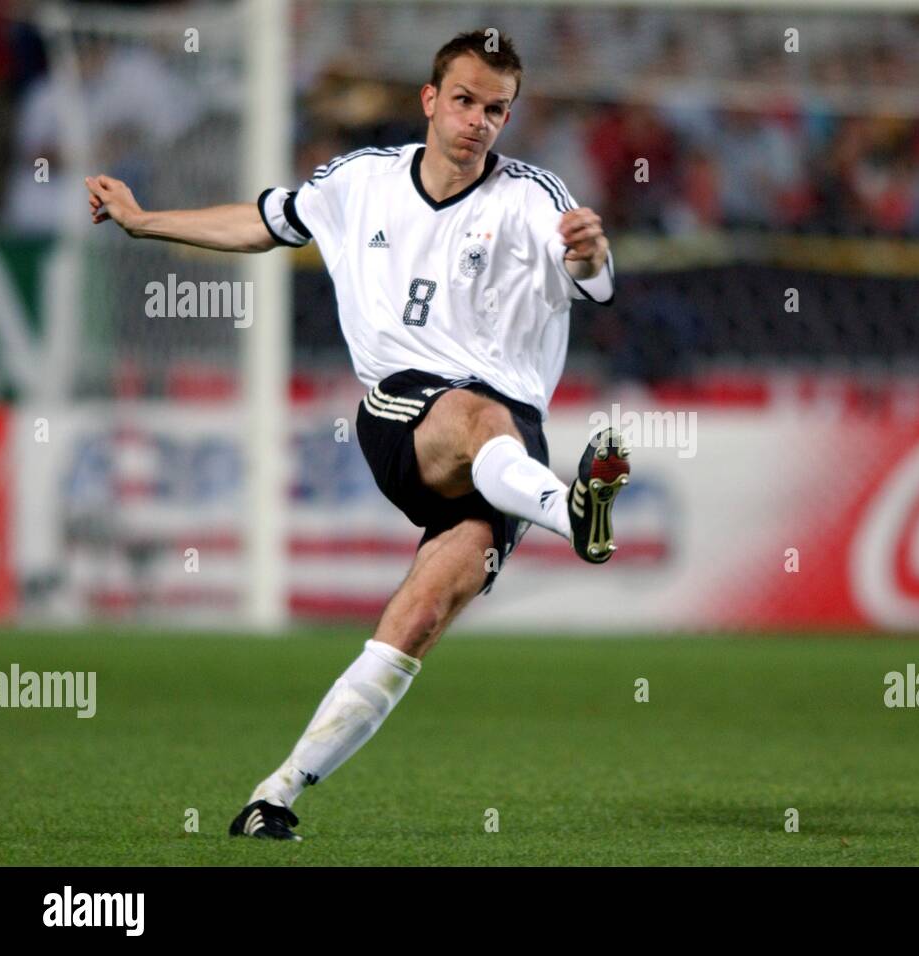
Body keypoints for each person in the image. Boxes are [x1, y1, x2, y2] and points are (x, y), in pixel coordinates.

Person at [85, 30, 629, 837]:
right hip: (404, 417)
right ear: (430, 99)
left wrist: (591, 254)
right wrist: (143, 220)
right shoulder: (360, 183)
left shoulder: (532, 195)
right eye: (467, 101)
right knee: (476, 417)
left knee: (417, 618)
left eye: (498, 110)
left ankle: (274, 796)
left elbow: (597, 282)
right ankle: (576, 516)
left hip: (510, 454)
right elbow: (260, 222)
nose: (480, 121)